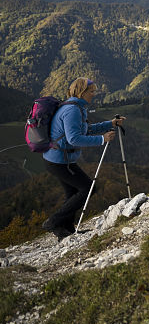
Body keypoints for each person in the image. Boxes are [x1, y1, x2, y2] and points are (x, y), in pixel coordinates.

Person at [41, 78, 123, 240]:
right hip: (59, 161)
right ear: (82, 92)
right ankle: (53, 221)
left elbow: (86, 129)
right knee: (88, 188)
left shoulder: (76, 107)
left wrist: (110, 123)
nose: (94, 94)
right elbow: (74, 138)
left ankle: (66, 231)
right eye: (91, 91)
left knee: (72, 193)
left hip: (60, 159)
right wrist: (102, 139)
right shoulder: (72, 110)